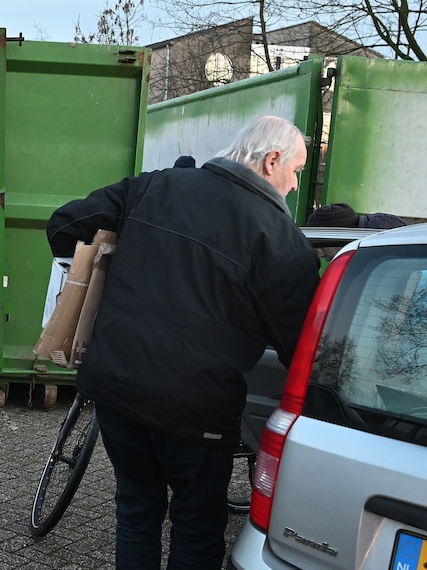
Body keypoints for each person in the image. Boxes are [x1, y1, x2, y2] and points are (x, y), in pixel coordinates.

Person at [46, 115, 321, 569]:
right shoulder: (285, 244)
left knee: (137, 507)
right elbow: (301, 353)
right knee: (196, 522)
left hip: (116, 388)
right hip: (197, 411)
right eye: (295, 170)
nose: (293, 185)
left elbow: (64, 225)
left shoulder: (157, 186)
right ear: (273, 161)